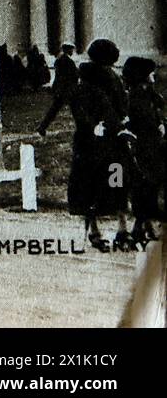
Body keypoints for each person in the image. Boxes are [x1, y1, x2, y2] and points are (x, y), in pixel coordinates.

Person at [65, 40, 133, 251]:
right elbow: (84, 110)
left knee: (114, 182)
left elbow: (119, 107)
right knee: (99, 183)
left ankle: (117, 229)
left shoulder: (110, 79)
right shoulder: (91, 82)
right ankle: (100, 230)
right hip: (96, 140)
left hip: (108, 138)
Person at [124, 56, 165, 243]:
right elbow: (146, 119)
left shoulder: (146, 93)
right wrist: (158, 126)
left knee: (150, 185)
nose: (154, 76)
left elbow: (158, 110)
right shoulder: (136, 96)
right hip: (145, 146)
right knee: (147, 184)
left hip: (152, 144)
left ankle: (141, 226)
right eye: (150, 73)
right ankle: (140, 226)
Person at [37, 43, 79, 136]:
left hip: (61, 89)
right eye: (71, 49)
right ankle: (82, 128)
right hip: (67, 90)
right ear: (67, 50)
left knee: (54, 109)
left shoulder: (59, 60)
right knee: (76, 110)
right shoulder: (67, 61)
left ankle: (42, 127)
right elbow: (73, 75)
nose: (72, 51)